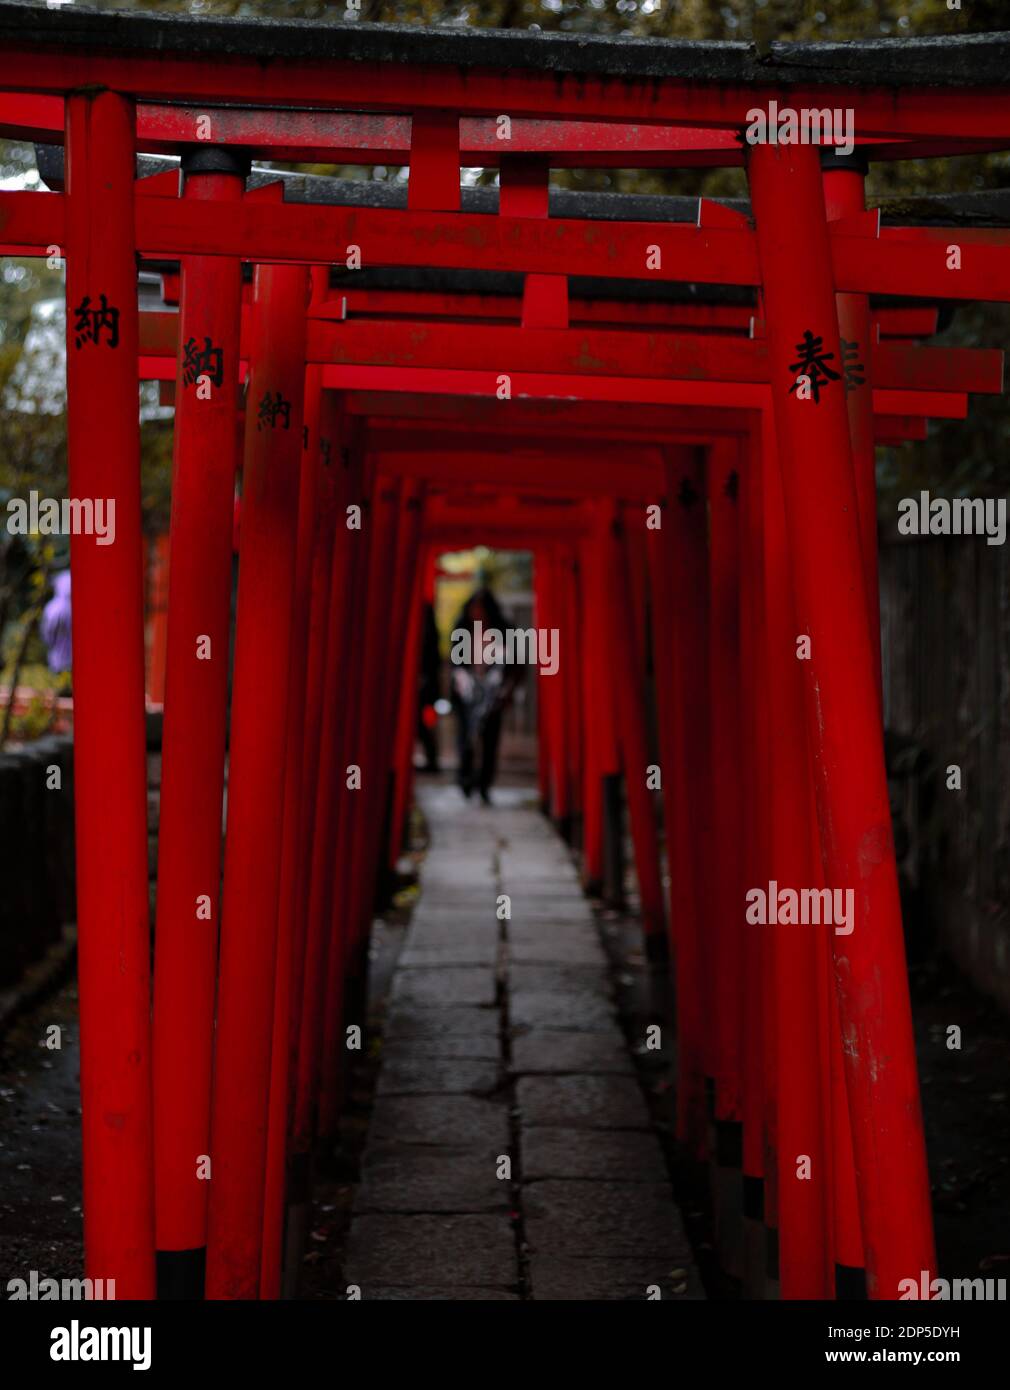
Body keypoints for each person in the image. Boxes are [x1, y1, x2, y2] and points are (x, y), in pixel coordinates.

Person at [449, 586, 519, 804]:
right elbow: (455, 662)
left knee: (490, 739)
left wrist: (506, 689)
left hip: (493, 692)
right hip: (467, 690)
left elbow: (515, 664)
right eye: (474, 609)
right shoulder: (462, 628)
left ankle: (484, 783)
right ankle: (465, 778)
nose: (477, 613)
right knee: (466, 737)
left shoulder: (505, 631)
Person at [41, 570, 72, 692]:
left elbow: (47, 633)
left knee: (59, 692)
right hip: (72, 658)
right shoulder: (72, 605)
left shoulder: (52, 607)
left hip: (56, 657)